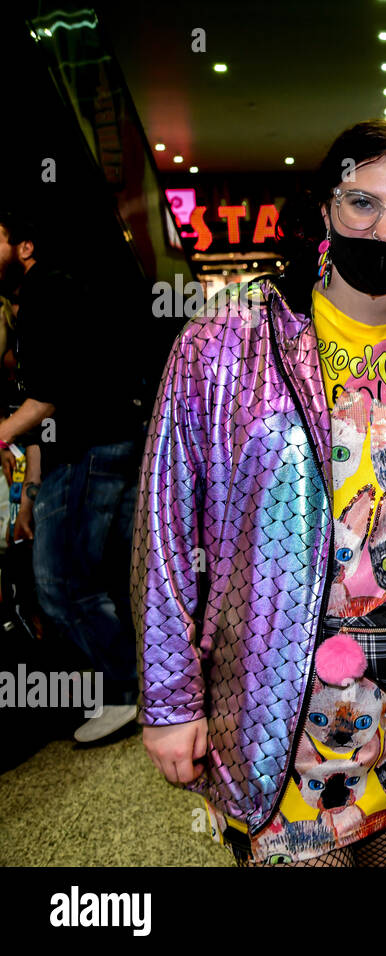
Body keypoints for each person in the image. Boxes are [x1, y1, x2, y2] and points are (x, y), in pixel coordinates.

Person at [134, 119, 386, 866]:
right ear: (327, 208)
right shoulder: (229, 340)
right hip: (280, 695)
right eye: (364, 203)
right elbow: (165, 523)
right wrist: (170, 701)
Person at [0, 210, 145, 743]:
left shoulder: (48, 291)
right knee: (123, 579)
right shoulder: (44, 295)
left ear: (26, 246)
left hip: (91, 447)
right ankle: (156, 686)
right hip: (100, 446)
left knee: (61, 586)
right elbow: (45, 411)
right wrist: (30, 498)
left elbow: (47, 398)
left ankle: (127, 691)